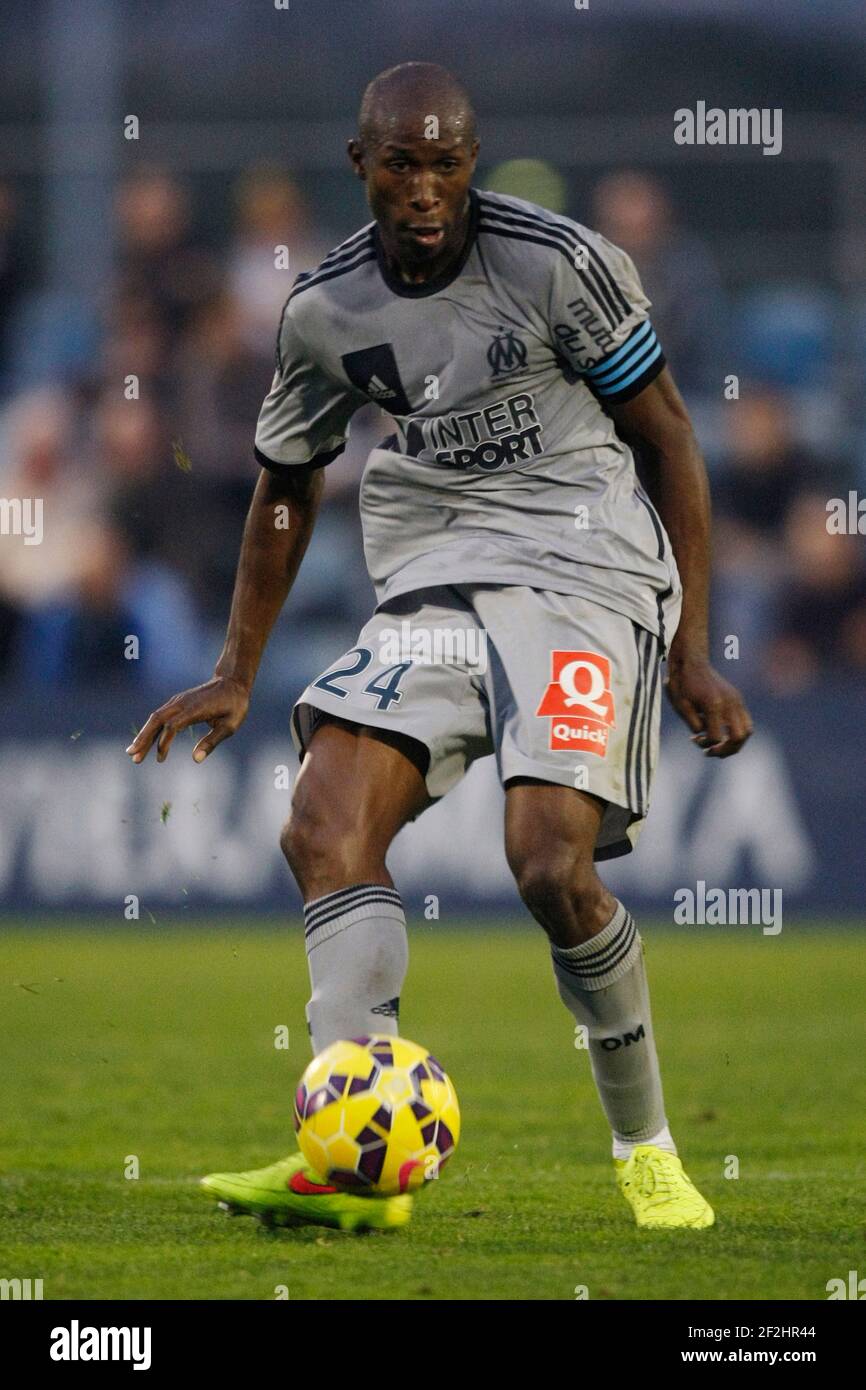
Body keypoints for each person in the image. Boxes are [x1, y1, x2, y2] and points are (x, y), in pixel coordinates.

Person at [128, 63, 752, 1234]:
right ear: (360, 165)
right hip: (434, 573)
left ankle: (646, 1147)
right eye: (402, 164)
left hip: (583, 571)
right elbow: (284, 483)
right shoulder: (322, 309)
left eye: (447, 163)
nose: (426, 189)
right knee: (320, 821)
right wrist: (236, 665)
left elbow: (667, 438)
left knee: (548, 865)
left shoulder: (556, 264)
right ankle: (349, 1161)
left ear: (473, 161)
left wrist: (690, 647)